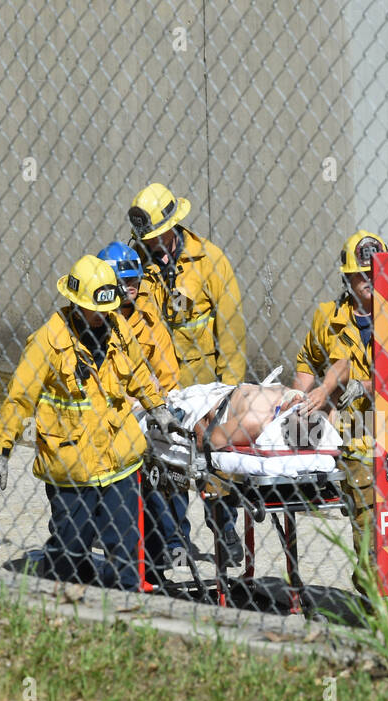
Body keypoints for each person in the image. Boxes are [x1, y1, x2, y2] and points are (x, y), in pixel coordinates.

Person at [0, 255, 178, 590]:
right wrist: (0, 450)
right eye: (96, 310)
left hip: (119, 464)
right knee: (70, 553)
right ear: (76, 304)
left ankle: (126, 612)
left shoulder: (118, 327)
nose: (104, 316)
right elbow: (19, 398)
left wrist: (157, 406)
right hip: (71, 468)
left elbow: (137, 373)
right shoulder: (48, 341)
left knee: (125, 552)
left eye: (108, 308)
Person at [128, 182, 246, 565]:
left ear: (173, 226)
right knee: (165, 465)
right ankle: (173, 540)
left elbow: (230, 331)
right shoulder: (135, 262)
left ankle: (224, 527)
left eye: (157, 236)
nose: (151, 243)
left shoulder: (210, 262)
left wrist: (227, 394)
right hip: (159, 386)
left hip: (205, 386)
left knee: (214, 461)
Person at [292, 230, 387, 585]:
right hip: (355, 440)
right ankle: (374, 598)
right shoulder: (328, 318)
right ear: (347, 278)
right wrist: (302, 399)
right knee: (367, 527)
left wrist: (367, 386)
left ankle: (387, 600)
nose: (369, 282)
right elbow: (306, 360)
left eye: (376, 273)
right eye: (361, 276)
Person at [97, 241, 190, 582]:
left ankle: (175, 544)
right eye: (124, 280)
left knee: (170, 470)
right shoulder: (93, 323)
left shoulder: (150, 325)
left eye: (135, 279)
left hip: (149, 415)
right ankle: (153, 553)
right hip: (110, 419)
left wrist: (151, 401)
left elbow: (167, 380)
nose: (131, 287)